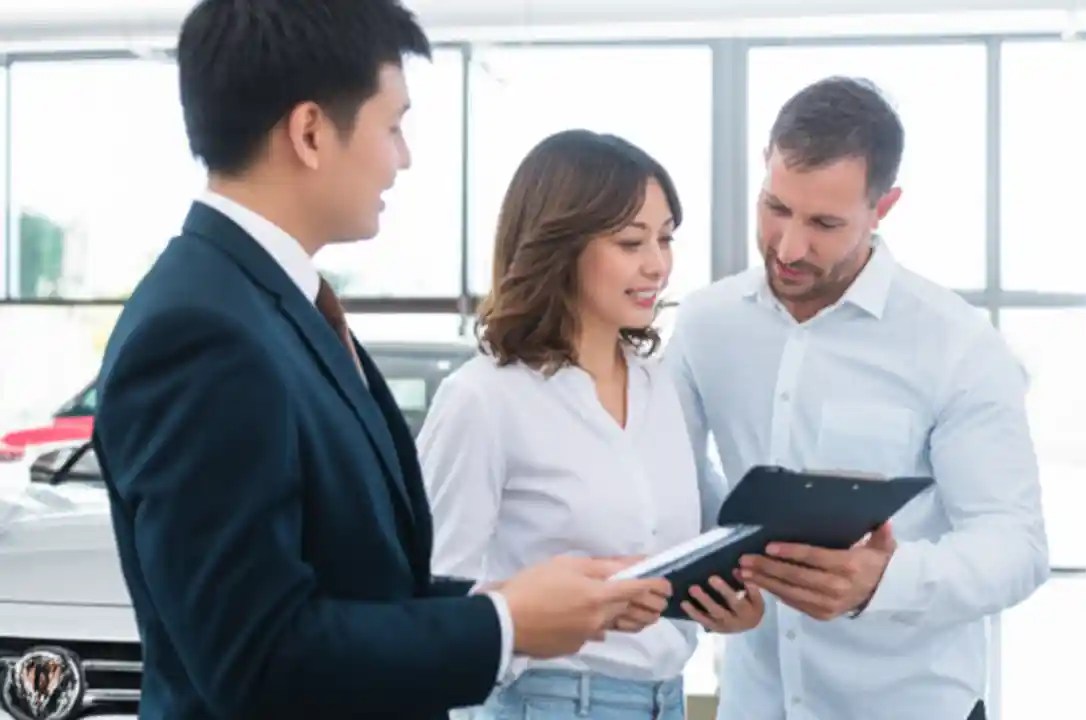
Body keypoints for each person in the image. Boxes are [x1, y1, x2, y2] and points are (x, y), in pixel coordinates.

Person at [90, 3, 668, 718]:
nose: (405, 155)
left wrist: (520, 606)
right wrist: (505, 624)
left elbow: (360, 586)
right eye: (392, 125)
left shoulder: (275, 305)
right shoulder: (200, 331)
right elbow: (258, 654)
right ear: (309, 133)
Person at [665, 76, 1050, 720]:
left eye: (823, 223)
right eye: (776, 208)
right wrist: (719, 565)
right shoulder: (707, 325)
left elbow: (1017, 546)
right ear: (765, 165)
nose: (788, 248)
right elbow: (666, 476)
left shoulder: (956, 344)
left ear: (884, 206)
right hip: (755, 703)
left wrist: (883, 582)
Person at [417, 129, 765, 720]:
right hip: (543, 704)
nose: (656, 264)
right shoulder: (484, 400)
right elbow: (432, 611)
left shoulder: (664, 388)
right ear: (561, 247)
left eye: (665, 238)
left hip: (666, 701)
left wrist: (739, 605)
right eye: (631, 242)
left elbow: (707, 537)